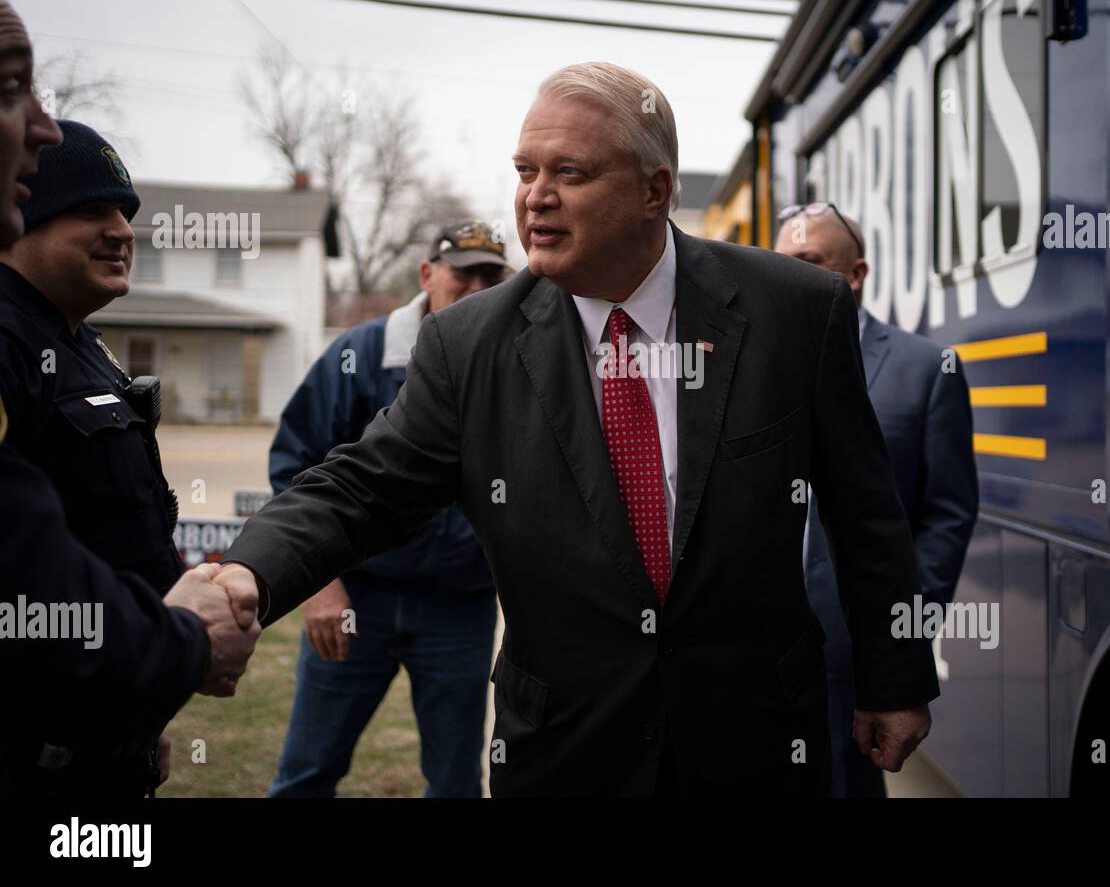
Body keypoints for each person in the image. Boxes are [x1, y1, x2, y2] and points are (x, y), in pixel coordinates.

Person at [220, 61, 939, 796]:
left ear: (654, 191)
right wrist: (248, 571)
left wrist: (895, 675)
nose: (535, 198)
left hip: (754, 742)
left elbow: (866, 513)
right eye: (526, 170)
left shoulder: (795, 311)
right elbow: (362, 488)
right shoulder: (469, 346)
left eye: (570, 172)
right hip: (566, 752)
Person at [0, 0, 259, 797]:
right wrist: (183, 640)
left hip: (109, 735)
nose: (121, 230)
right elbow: (25, 581)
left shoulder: (84, 350)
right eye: (90, 210)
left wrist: (146, 711)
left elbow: (121, 535)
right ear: (26, 217)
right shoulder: (9, 342)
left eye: (127, 211)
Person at [267, 221, 507, 798]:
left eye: (490, 276)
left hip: (460, 608)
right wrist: (321, 587)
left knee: (455, 784)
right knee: (307, 773)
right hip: (358, 600)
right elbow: (296, 466)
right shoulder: (361, 354)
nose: (476, 286)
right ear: (427, 275)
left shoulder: (512, 362)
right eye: (462, 272)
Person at [776, 202, 978, 797]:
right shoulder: (749, 367)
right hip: (755, 648)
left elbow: (948, 514)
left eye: (810, 264)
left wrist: (899, 635)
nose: (791, 280)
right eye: (782, 265)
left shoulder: (925, 369)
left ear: (856, 274)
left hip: (853, 649)